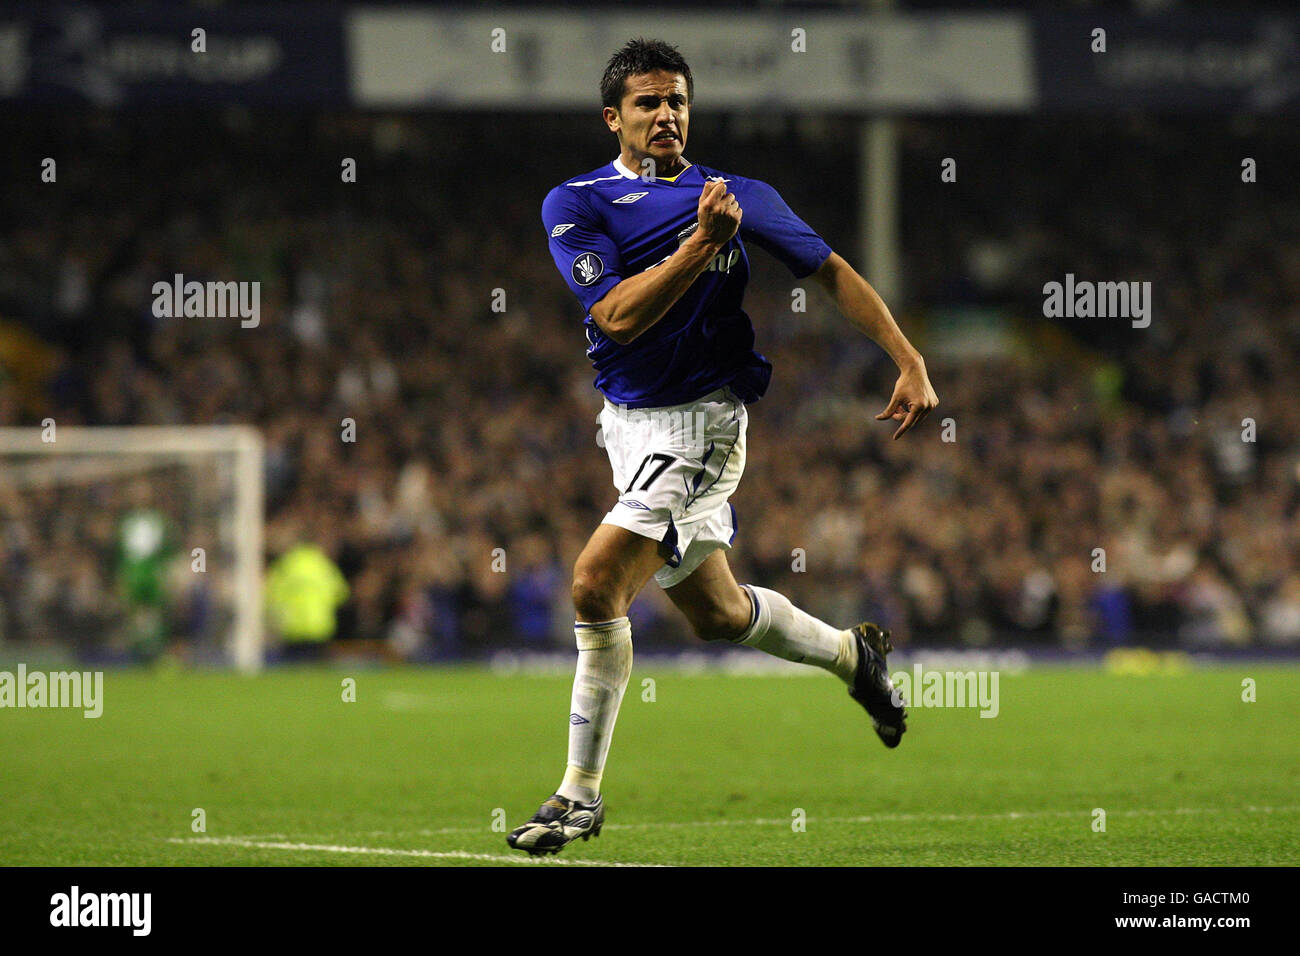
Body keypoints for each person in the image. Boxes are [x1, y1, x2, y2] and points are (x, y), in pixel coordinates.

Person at [509, 38, 939, 856]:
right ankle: (855, 657)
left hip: (703, 420)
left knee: (596, 584)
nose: (665, 114)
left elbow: (831, 270)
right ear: (615, 118)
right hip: (626, 421)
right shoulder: (576, 203)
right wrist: (703, 245)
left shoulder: (738, 194)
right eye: (647, 102)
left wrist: (908, 357)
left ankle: (579, 795)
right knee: (718, 614)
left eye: (677, 101)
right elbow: (616, 316)